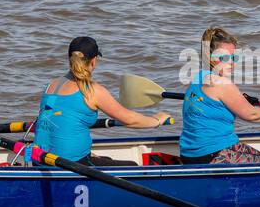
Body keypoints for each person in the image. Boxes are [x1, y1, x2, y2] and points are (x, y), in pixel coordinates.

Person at [33, 37, 170, 166]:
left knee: (105, 160)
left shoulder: (51, 86)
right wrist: (156, 120)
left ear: (69, 59)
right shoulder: (92, 91)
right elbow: (130, 119)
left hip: (40, 159)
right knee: (132, 165)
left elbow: (59, 121)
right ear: (93, 61)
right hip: (69, 165)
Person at [179, 28, 260, 164]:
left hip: (188, 154)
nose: (231, 62)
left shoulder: (197, 77)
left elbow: (214, 101)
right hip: (215, 154)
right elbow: (252, 115)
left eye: (234, 57)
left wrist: (241, 99)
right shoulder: (221, 83)